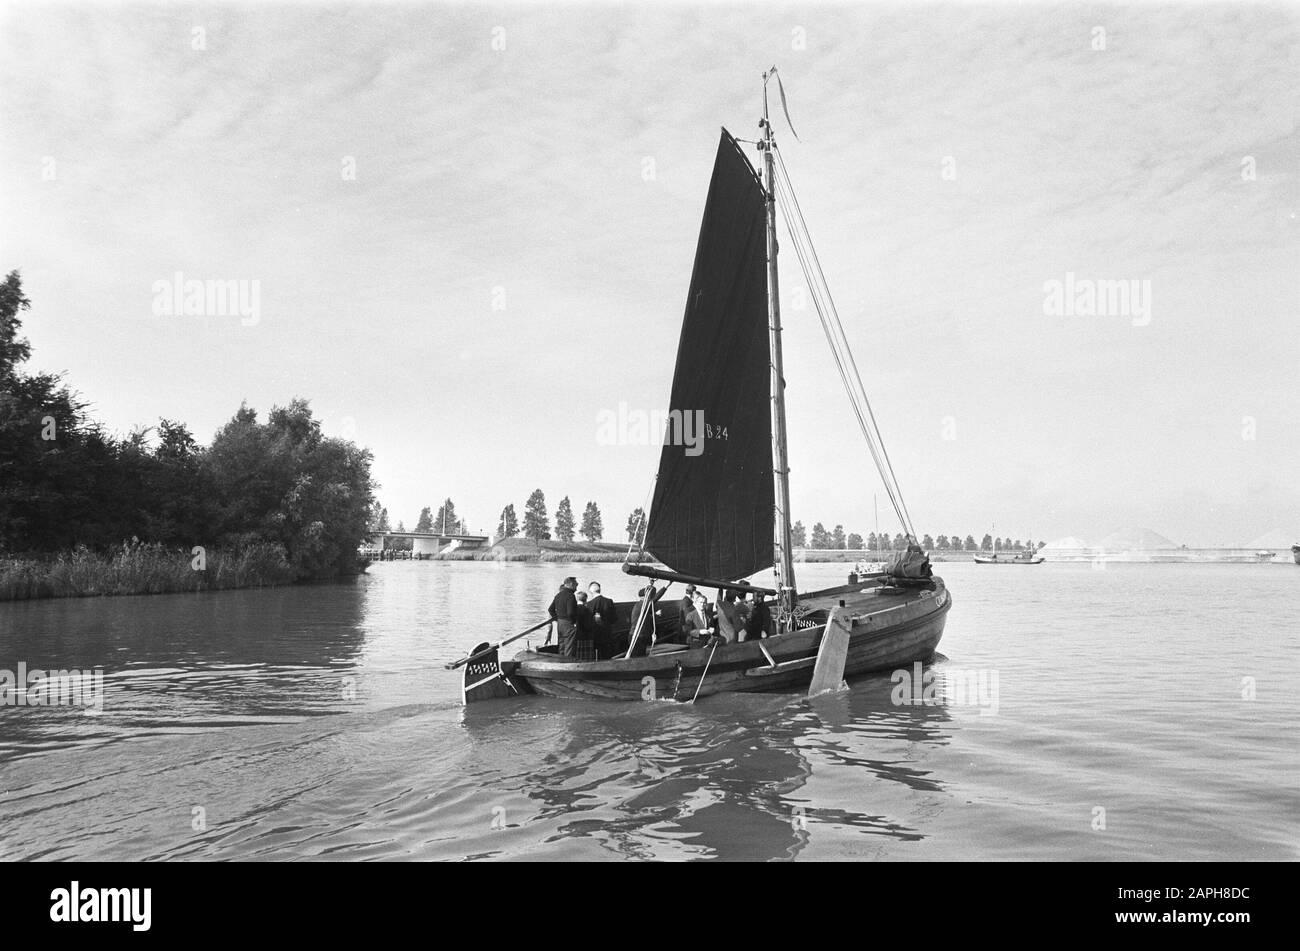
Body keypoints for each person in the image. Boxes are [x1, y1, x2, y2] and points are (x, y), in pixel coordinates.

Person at [548, 576, 580, 657]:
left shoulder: (558, 595)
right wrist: (574, 622)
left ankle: (560, 662)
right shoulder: (570, 596)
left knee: (561, 645)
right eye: (576, 584)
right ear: (570, 584)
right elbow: (570, 612)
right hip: (568, 624)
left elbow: (550, 609)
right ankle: (568, 664)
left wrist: (557, 619)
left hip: (560, 624)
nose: (577, 585)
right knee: (569, 646)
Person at [587, 582, 620, 658]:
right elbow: (614, 618)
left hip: (595, 633)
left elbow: (588, 620)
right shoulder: (609, 601)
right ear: (600, 589)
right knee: (607, 653)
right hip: (607, 632)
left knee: (597, 653)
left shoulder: (590, 604)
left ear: (590, 591)